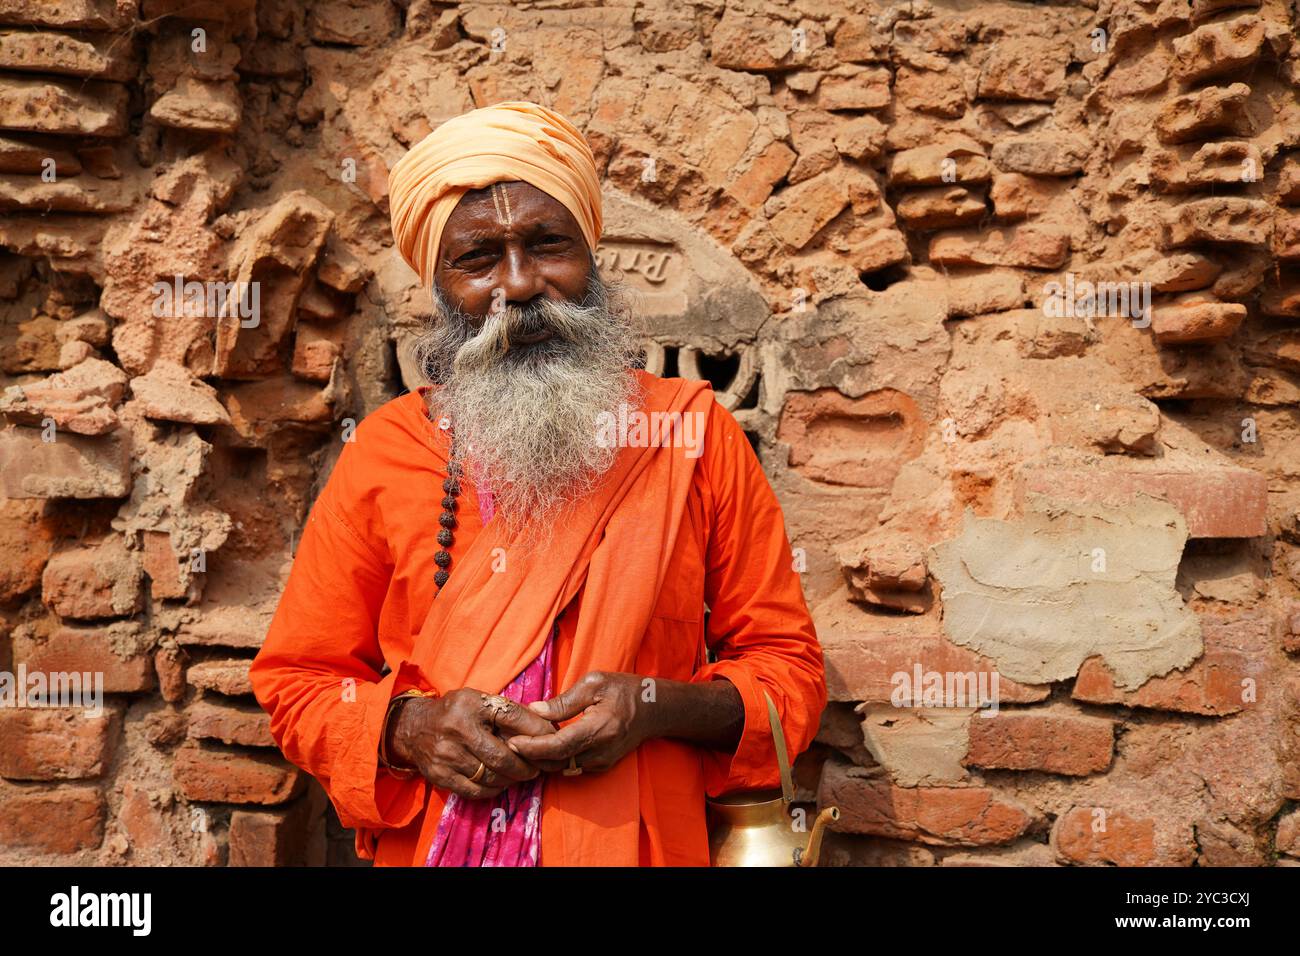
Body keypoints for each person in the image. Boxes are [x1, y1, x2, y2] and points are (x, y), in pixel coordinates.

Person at [248, 100, 827, 866]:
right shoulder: (385, 450)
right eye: (478, 259)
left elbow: (788, 673)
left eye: (548, 245)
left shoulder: (691, 432)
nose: (518, 286)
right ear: (439, 284)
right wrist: (407, 729)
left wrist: (654, 707)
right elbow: (299, 682)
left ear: (590, 256)